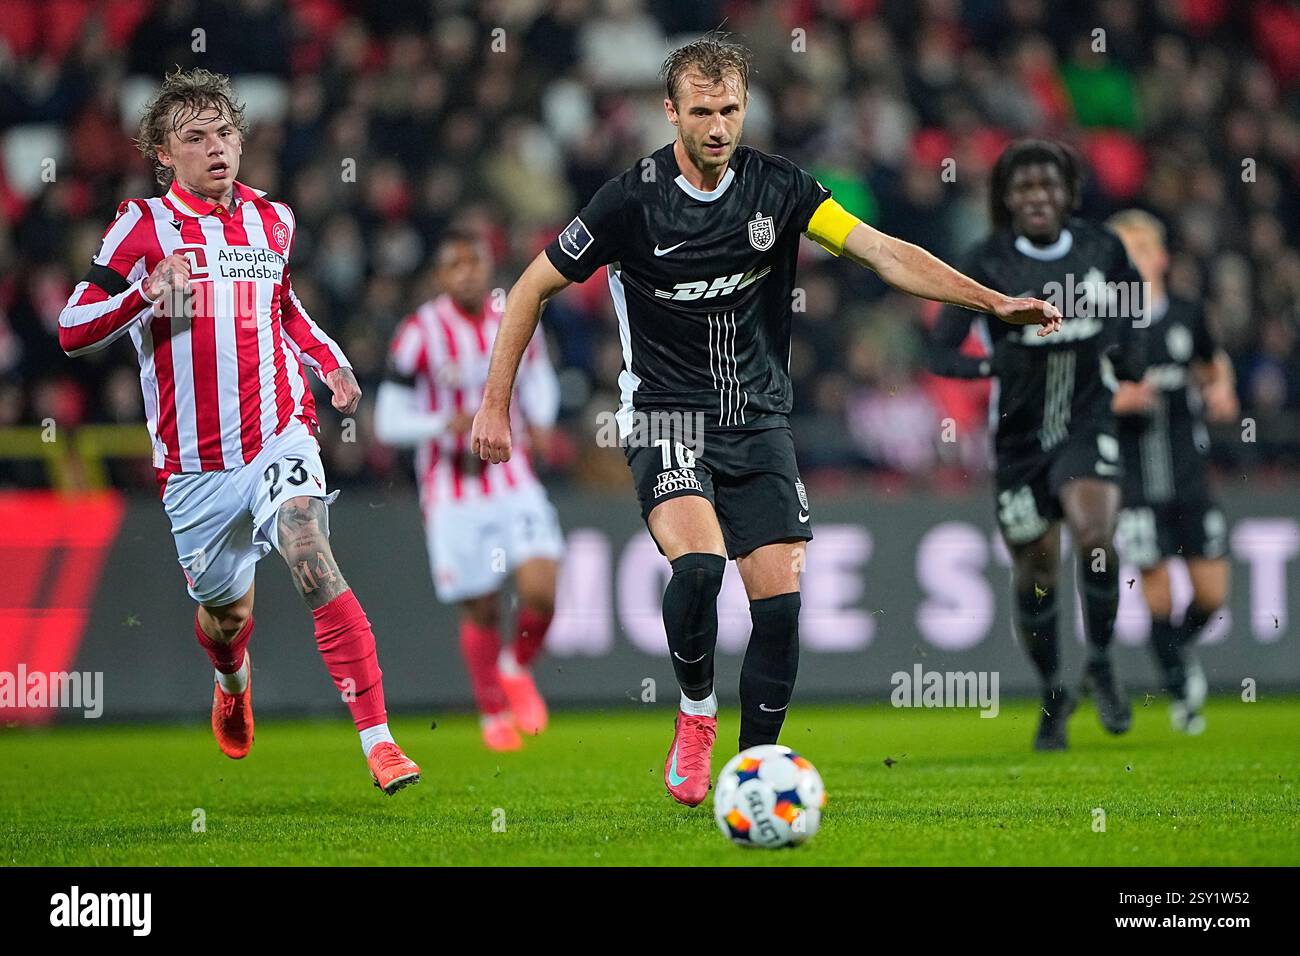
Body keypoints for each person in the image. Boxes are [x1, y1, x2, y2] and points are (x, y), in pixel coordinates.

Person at [471, 33, 1060, 806]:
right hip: (666, 415)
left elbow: (880, 251)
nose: (718, 127)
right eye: (703, 112)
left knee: (779, 610)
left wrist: (990, 300)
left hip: (757, 417)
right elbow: (528, 289)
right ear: (671, 112)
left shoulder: (780, 188)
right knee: (701, 566)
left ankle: (751, 775)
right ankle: (694, 713)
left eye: (731, 110)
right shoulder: (629, 200)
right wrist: (493, 402)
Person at [57, 68, 420, 793]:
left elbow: (284, 307)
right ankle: (232, 680)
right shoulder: (141, 226)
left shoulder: (274, 219)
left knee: (310, 552)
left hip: (278, 434)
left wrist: (332, 363)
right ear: (163, 154)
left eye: (225, 132)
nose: (216, 148)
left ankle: (379, 743)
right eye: (195, 138)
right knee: (226, 620)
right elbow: (70, 328)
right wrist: (144, 291)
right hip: (194, 467)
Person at [930, 139, 1147, 751]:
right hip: (1020, 442)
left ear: (1069, 194)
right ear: (1006, 198)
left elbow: (1134, 315)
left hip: (1086, 421)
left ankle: (1100, 661)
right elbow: (939, 350)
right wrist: (991, 366)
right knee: (1038, 573)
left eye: (1048, 186)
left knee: (1097, 538)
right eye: (1023, 188)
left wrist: (1133, 355)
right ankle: (1054, 689)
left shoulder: (1104, 249)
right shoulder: (986, 263)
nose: (1037, 197)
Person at [374, 228, 564, 752]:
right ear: (440, 276)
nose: (468, 273)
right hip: (452, 488)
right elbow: (388, 420)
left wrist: (543, 418)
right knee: (481, 606)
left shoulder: (514, 314)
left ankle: (515, 666)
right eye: (456, 265)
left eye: (475, 263)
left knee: (541, 588)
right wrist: (442, 424)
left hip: (511, 475)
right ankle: (491, 713)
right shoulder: (420, 333)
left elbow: (540, 374)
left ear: (488, 267)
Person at [1107, 209, 1237, 735]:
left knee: (1211, 595)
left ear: (1159, 258)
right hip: (1134, 481)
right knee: (1157, 594)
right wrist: (1120, 399)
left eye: (1138, 249)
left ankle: (1179, 655)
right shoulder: (1106, 325)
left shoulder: (1187, 315)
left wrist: (1221, 388)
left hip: (1188, 476)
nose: (1130, 261)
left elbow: (1213, 363)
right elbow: (1086, 395)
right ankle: (1183, 691)